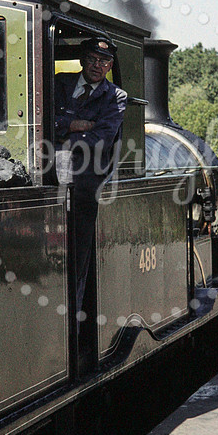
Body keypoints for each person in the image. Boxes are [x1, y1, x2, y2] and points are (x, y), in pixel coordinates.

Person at [54, 37, 127, 316]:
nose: (98, 66)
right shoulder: (60, 83)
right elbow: (44, 122)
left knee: (78, 257)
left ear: (110, 66)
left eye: (104, 61)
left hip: (85, 185)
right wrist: (76, 124)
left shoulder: (116, 97)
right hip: (49, 176)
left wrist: (62, 137)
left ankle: (74, 317)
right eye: (93, 59)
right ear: (82, 60)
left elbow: (101, 140)